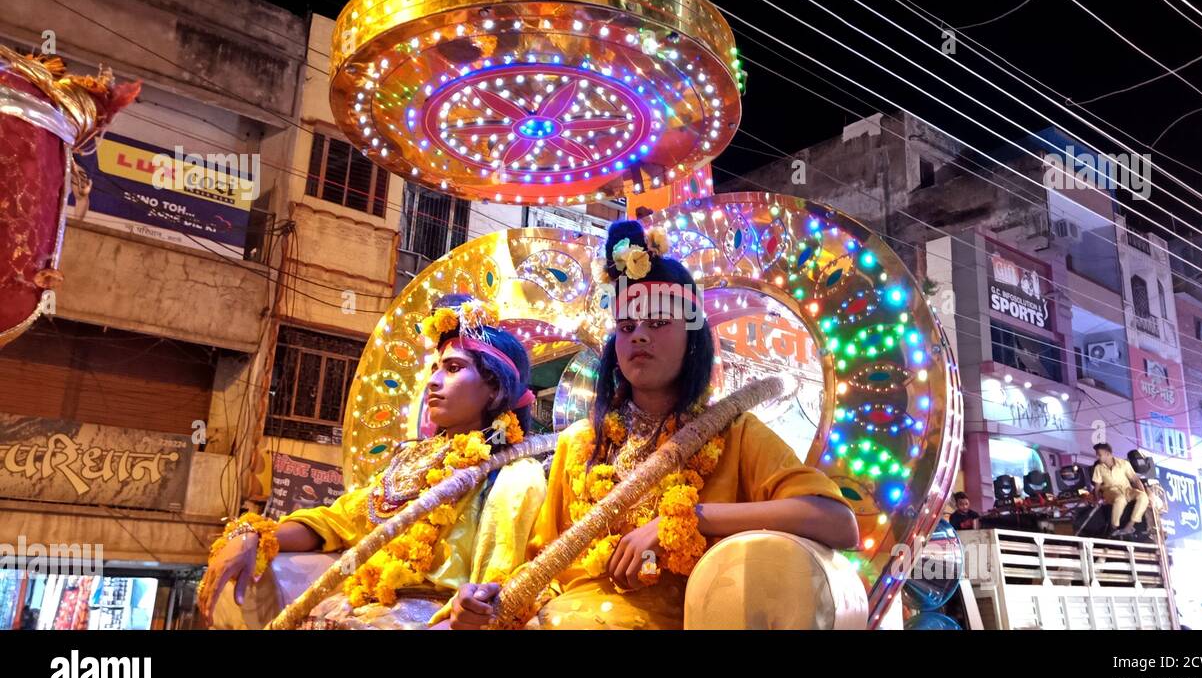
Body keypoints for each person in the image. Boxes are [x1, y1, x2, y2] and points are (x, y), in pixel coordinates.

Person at [449, 219, 859, 629]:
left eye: (658, 323)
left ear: (692, 339)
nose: (639, 336)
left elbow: (837, 522)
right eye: (627, 327)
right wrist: (487, 600)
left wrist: (692, 518)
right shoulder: (581, 443)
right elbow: (544, 567)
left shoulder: (734, 434)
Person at [198, 295, 546, 629]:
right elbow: (336, 522)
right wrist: (251, 537)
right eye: (435, 368)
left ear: (494, 387)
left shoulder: (513, 472)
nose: (434, 382)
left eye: (454, 368)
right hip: (361, 607)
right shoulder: (410, 459)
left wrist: (474, 611)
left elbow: (503, 587)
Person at [1091, 442, 1148, 537]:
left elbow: (1135, 479)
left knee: (1143, 496)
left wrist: (1144, 493)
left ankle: (1130, 525)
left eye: (1099, 454)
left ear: (1108, 454)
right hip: (1110, 492)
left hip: (1127, 490)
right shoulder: (1098, 468)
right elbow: (1096, 488)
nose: (1097, 456)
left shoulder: (1123, 463)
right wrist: (1097, 499)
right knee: (1120, 499)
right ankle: (1114, 526)